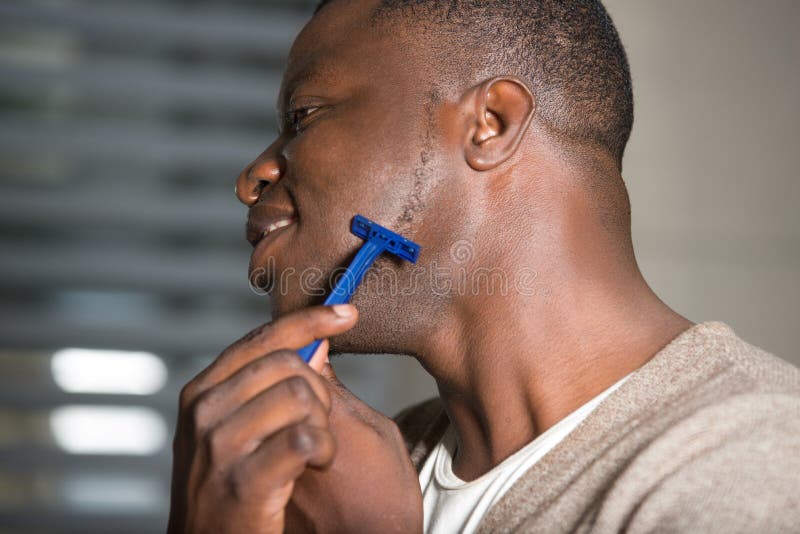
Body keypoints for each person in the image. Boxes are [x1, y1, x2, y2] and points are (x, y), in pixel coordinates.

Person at [167, 0, 800, 532]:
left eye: (303, 117)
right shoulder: (337, 473)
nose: (251, 178)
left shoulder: (753, 468)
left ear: (490, 124)